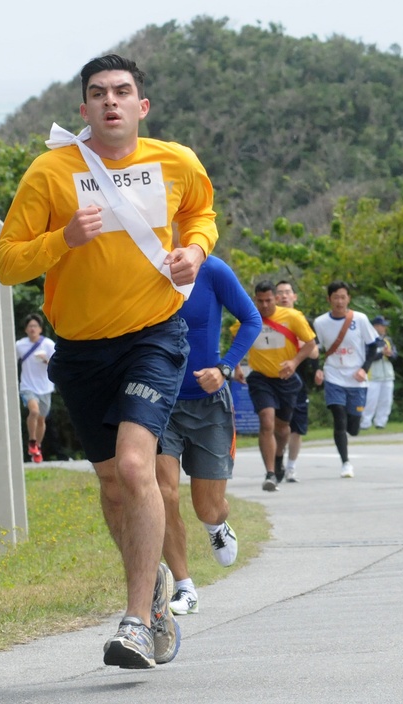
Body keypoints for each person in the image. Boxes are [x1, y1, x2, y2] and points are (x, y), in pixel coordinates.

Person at [0, 54, 218, 669]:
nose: (111, 102)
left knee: (133, 464)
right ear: (85, 109)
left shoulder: (176, 161)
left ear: (142, 107)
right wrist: (62, 240)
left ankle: (137, 622)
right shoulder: (51, 171)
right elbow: (7, 262)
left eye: (123, 92)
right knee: (111, 484)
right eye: (99, 94)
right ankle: (151, 595)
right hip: (81, 350)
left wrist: (193, 253)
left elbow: (203, 215)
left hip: (154, 335)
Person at [156, 255, 261, 616]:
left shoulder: (212, 270)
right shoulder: (141, 264)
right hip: (159, 401)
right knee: (163, 493)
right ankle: (184, 587)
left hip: (208, 404)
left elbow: (251, 319)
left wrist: (225, 367)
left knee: (208, 506)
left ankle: (217, 525)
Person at [232, 281, 317, 491]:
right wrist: (236, 366)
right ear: (255, 300)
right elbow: (237, 338)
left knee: (282, 428)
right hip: (260, 377)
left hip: (286, 379)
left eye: (268, 300)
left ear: (276, 299)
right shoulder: (247, 317)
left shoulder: (292, 317)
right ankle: (270, 473)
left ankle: (279, 457)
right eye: (260, 301)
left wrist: (294, 362)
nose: (264, 305)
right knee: (266, 421)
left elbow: (311, 344)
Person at [313, 281, 380, 478]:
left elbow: (373, 346)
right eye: (336, 297)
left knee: (354, 427)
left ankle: (353, 429)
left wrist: (364, 369)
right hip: (334, 376)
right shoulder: (320, 322)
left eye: (343, 297)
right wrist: (317, 370)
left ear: (348, 298)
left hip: (357, 379)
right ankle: (345, 463)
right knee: (339, 418)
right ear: (329, 299)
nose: (340, 301)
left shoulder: (360, 319)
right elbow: (314, 349)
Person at [272, 280, 319, 483]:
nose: (284, 296)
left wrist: (298, 350)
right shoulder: (267, 321)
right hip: (274, 380)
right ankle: (276, 460)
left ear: (294, 297)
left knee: (297, 426)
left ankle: (291, 466)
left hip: (299, 380)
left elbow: (315, 351)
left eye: (288, 292)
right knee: (278, 424)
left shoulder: (301, 320)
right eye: (280, 293)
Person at [15, 313, 57, 463]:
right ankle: (32, 441)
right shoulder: (20, 345)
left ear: (40, 329)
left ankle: (37, 447)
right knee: (34, 411)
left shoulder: (48, 344)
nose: (32, 328)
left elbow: (57, 363)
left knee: (41, 420)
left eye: (35, 326)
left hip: (45, 387)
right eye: (30, 326)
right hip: (27, 386)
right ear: (26, 329)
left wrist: (46, 360)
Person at [360, 315, 398, 430]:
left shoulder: (388, 340)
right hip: (373, 376)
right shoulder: (368, 340)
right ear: (375, 326)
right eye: (382, 326)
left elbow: (395, 355)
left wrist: (390, 354)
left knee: (386, 401)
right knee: (370, 401)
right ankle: (365, 423)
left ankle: (381, 423)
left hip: (387, 375)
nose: (384, 328)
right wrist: (381, 353)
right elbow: (367, 356)